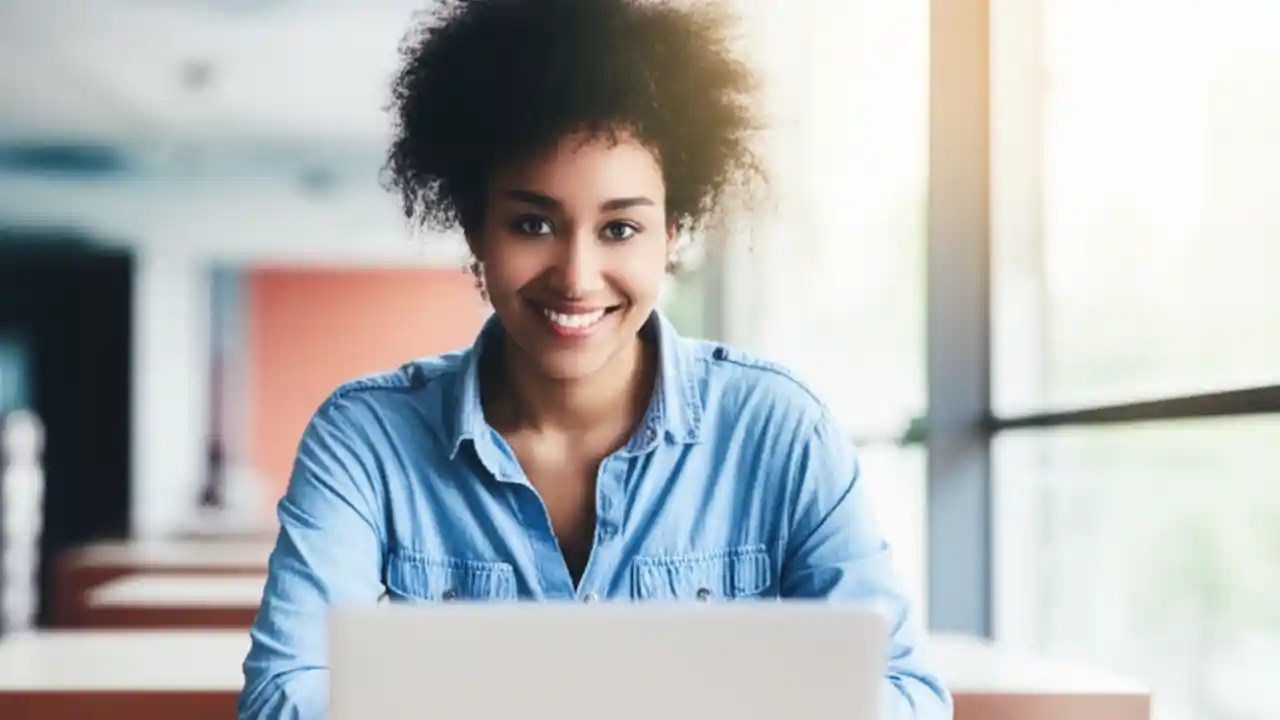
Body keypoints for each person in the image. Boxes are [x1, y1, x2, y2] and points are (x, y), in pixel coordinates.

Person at [239, 1, 951, 717]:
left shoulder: (776, 428)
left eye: (620, 227)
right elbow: (282, 696)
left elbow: (906, 694)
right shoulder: (368, 438)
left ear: (671, 234)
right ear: (475, 229)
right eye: (533, 224)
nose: (577, 276)